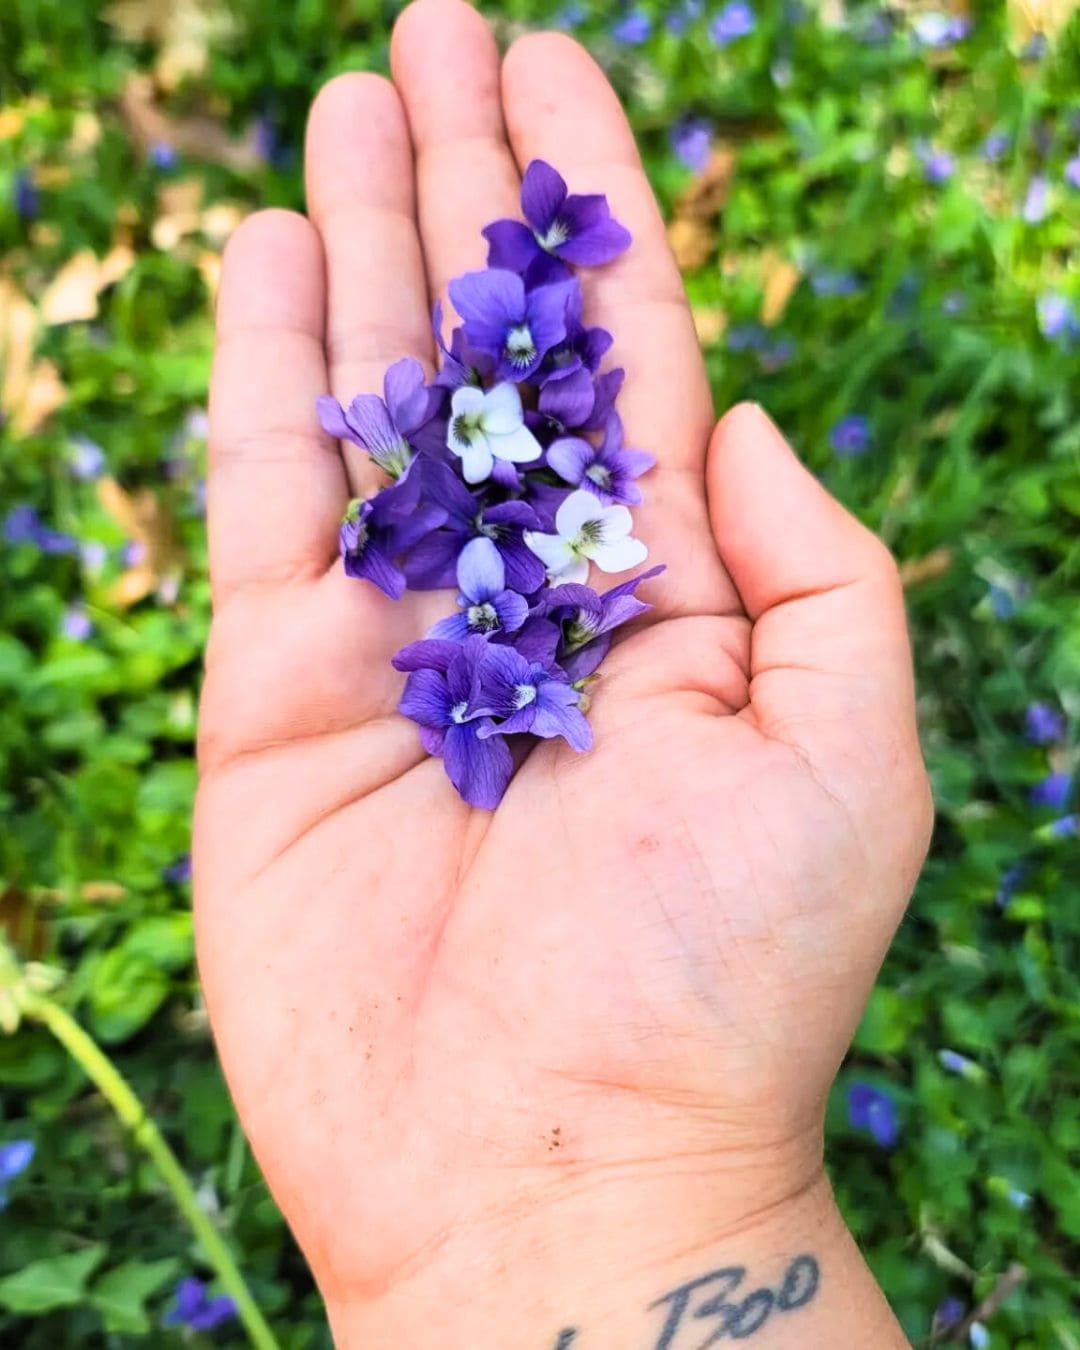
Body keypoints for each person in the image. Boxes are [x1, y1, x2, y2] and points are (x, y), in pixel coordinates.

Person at [194, 0, 933, 1344]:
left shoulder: (537, 519)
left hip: (528, 548)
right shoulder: (476, 559)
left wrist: (547, 615)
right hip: (502, 547)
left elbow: (505, 612)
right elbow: (469, 642)